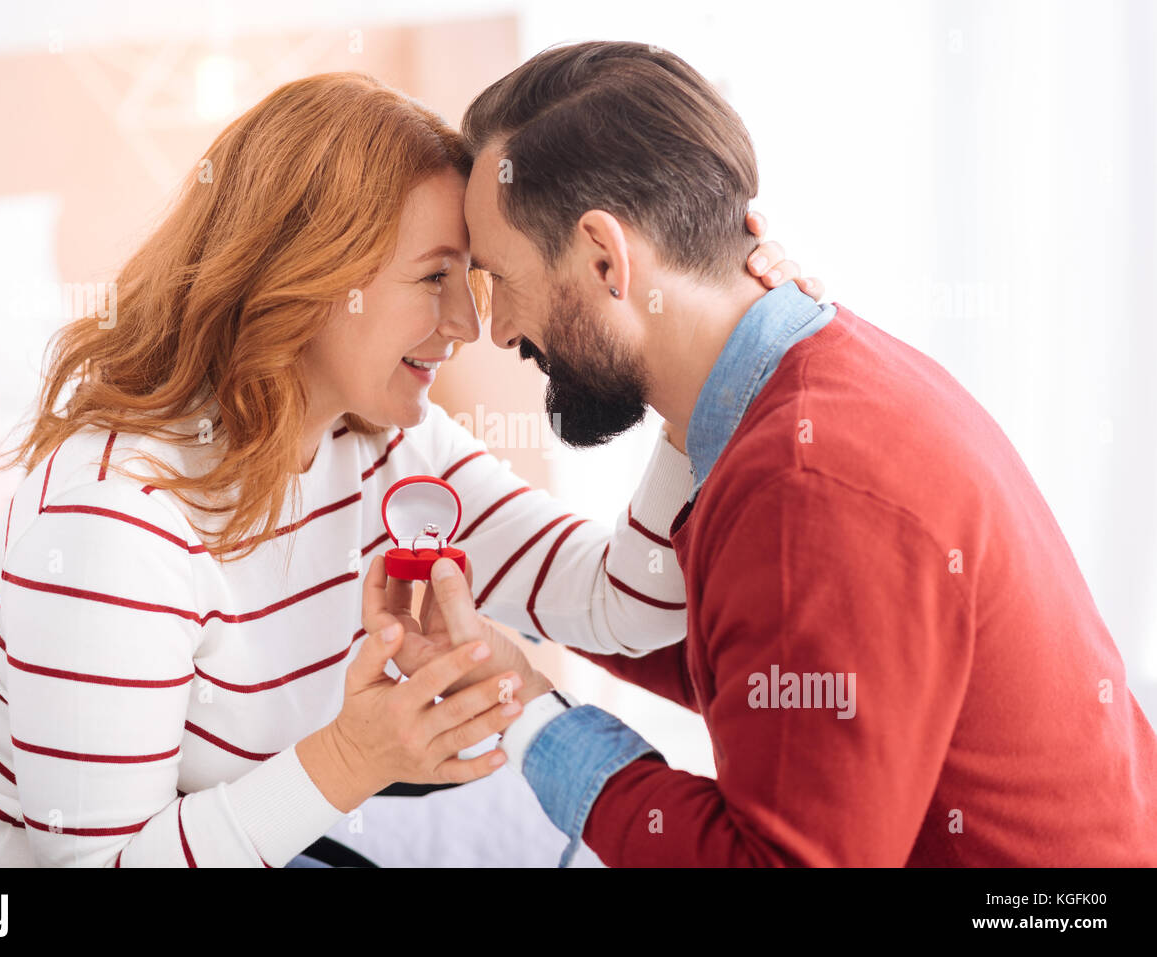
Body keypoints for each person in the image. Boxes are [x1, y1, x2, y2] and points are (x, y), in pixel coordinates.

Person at [0, 71, 812, 868]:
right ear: (313, 278)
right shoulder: (119, 514)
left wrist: (697, 376)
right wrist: (351, 757)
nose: (468, 327)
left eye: (472, 280)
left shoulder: (385, 443)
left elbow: (623, 604)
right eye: (434, 278)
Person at [364, 40, 1157, 867]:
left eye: (501, 278)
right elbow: (755, 654)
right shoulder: (823, 377)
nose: (497, 330)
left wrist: (531, 713)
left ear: (605, 257)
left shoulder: (807, 486)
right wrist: (504, 653)